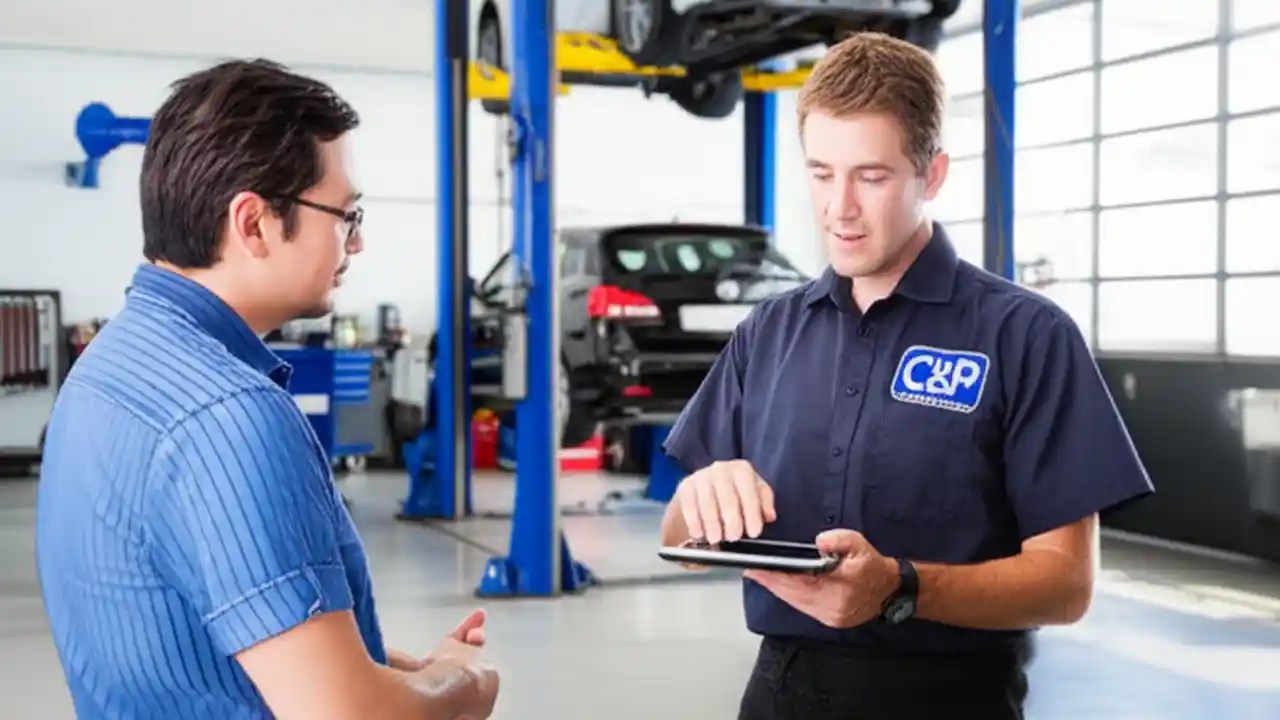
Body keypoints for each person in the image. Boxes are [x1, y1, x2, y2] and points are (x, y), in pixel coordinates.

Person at [659, 33, 1154, 720]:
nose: (839, 207)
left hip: (951, 698)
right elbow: (680, 541)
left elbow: (1066, 585)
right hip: (780, 692)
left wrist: (902, 587)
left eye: (872, 175)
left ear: (934, 174)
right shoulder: (765, 335)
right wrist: (697, 495)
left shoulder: (1026, 337)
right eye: (822, 173)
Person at [35, 59, 499, 720]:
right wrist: (463, 684)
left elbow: (217, 622)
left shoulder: (111, 364)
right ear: (253, 223)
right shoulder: (231, 417)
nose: (357, 241)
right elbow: (349, 716)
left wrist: (397, 672)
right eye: (346, 215)